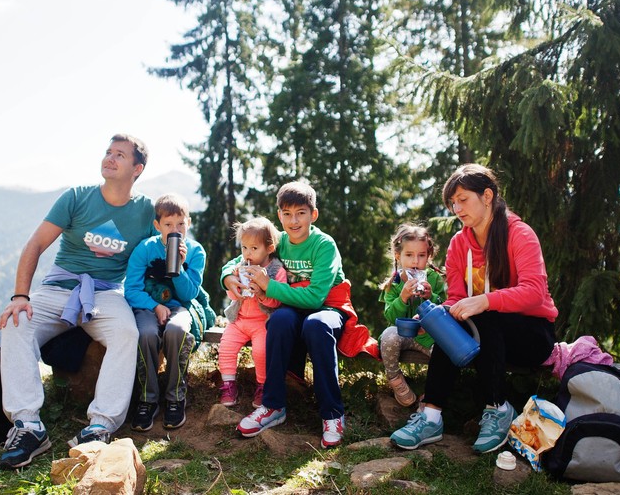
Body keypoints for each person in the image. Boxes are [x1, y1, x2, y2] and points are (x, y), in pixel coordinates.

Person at [0, 134, 154, 470]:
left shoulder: (145, 211)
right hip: (59, 287)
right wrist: (20, 297)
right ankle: (28, 426)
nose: (110, 159)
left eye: (120, 155)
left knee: (127, 333)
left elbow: (164, 246)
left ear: (137, 169)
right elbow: (35, 244)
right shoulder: (77, 197)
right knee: (16, 323)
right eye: (108, 152)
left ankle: (100, 426)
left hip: (107, 292)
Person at [389, 164, 557, 453]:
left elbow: (534, 293)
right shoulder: (458, 244)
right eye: (453, 202)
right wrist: (435, 314)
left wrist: (484, 300)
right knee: (446, 321)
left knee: (487, 316)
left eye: (463, 199)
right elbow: (455, 297)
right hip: (486, 336)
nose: (457, 208)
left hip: (531, 335)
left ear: (487, 196)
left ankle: (497, 408)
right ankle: (430, 417)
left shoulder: (520, 234)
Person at [234, 181, 378, 449]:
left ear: (313, 214)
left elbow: (315, 297)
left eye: (301, 212)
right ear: (279, 216)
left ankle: (332, 414)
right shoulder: (277, 240)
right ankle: (273, 405)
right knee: (278, 320)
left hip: (328, 309)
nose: (294, 220)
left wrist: (270, 286)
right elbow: (243, 257)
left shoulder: (324, 245)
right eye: (287, 214)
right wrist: (225, 278)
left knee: (316, 325)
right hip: (292, 309)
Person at [124, 193, 209, 431]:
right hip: (147, 306)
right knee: (146, 334)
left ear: (188, 223)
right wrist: (155, 306)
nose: (176, 229)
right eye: (168, 224)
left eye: (181, 224)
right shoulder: (145, 249)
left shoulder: (195, 251)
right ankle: (147, 398)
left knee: (177, 330)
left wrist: (180, 268)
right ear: (157, 226)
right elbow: (131, 289)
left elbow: (190, 294)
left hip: (180, 306)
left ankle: (175, 396)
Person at [216, 216, 288, 408]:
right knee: (226, 347)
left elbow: (277, 301)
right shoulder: (239, 265)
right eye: (244, 247)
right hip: (239, 321)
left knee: (261, 351)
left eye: (254, 248)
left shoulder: (276, 270)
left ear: (269, 248)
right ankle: (228, 384)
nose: (247, 253)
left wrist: (263, 293)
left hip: (262, 322)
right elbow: (232, 297)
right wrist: (235, 286)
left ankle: (263, 386)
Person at [377, 223, 447, 406]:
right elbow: (390, 317)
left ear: (429, 256)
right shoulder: (394, 284)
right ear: (398, 256)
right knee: (388, 335)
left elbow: (446, 308)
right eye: (409, 255)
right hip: (404, 334)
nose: (415, 262)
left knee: (445, 353)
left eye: (421, 255)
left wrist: (431, 296)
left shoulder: (434, 279)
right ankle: (396, 380)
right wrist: (403, 297)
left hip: (430, 337)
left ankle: (432, 395)